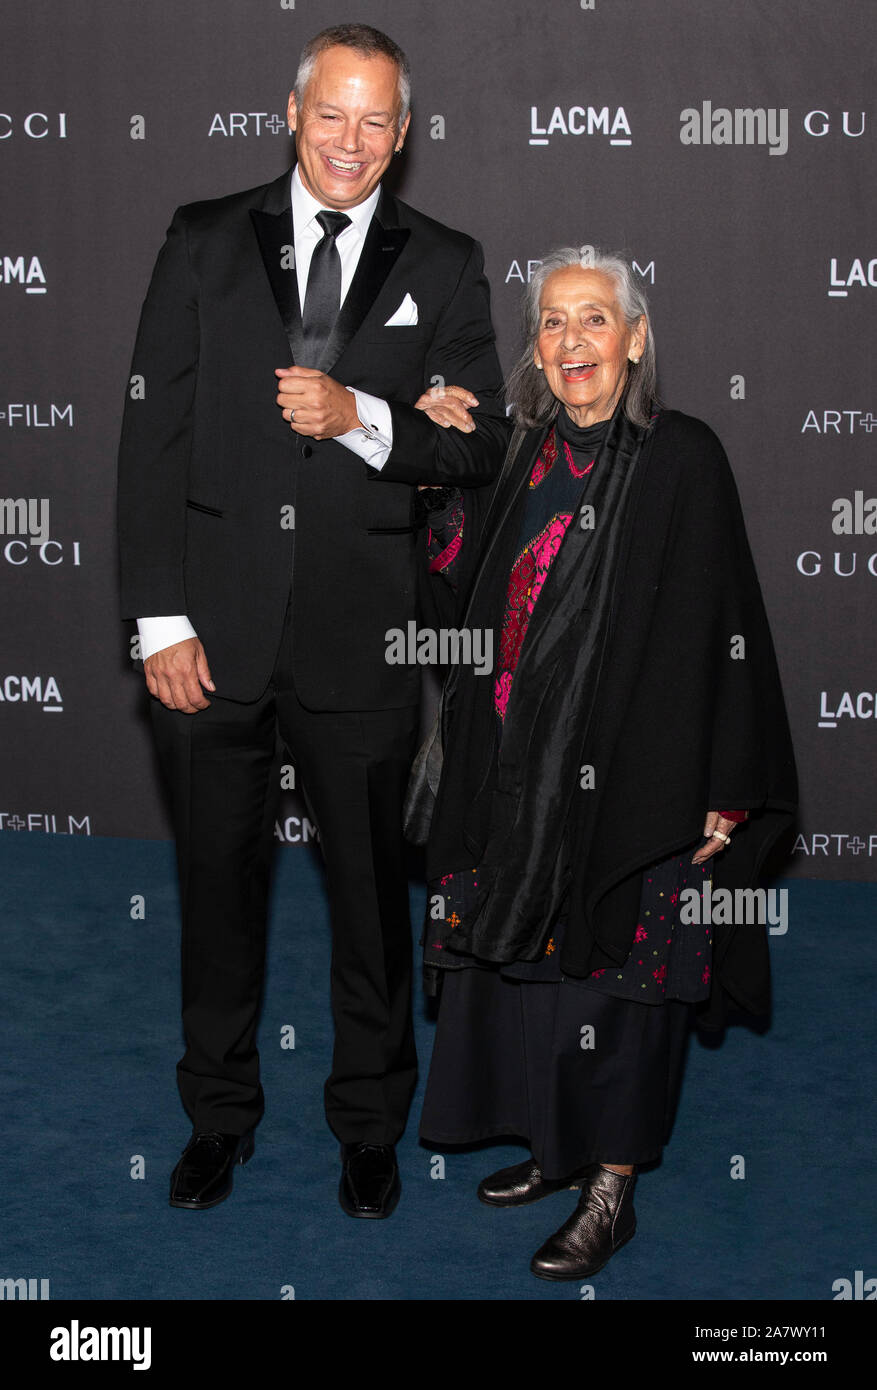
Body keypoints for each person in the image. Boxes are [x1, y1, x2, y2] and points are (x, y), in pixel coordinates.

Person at [116, 23, 507, 1218]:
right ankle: (218, 1114)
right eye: (330, 114)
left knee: (366, 907)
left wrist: (361, 414)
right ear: (292, 115)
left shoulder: (444, 262)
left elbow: (478, 442)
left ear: (404, 133)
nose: (349, 141)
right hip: (215, 636)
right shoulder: (200, 238)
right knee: (218, 895)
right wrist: (158, 620)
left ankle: (370, 1124)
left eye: (374, 119)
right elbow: (152, 437)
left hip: (361, 639)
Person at [411, 247, 797, 1279]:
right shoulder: (520, 454)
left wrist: (726, 784)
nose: (572, 340)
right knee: (535, 974)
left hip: (641, 776)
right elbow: (458, 595)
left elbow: (729, 628)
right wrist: (438, 473)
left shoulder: (682, 456)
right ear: (533, 350)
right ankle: (553, 1146)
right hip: (517, 772)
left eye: (594, 320)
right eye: (551, 322)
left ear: (633, 340)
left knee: (622, 988)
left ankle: (611, 1187)